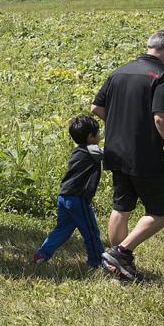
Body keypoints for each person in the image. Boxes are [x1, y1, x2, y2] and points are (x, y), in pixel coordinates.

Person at [92, 30, 164, 282]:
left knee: (121, 207)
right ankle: (121, 253)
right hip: (144, 154)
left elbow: (96, 106)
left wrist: (120, 126)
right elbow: (161, 118)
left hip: (115, 150)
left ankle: (116, 268)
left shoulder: (119, 71)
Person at [33, 115, 105, 268]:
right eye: (98, 133)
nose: (100, 136)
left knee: (63, 229)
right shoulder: (92, 150)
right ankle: (97, 261)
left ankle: (42, 254)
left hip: (64, 196)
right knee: (91, 232)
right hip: (77, 198)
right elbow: (108, 152)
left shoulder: (77, 151)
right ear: (91, 137)